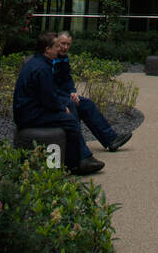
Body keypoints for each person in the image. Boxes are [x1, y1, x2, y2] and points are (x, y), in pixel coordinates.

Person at [13, 32, 105, 175]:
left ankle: (80, 158)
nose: (60, 49)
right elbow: (48, 97)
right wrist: (61, 108)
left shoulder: (37, 63)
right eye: (56, 46)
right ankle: (76, 163)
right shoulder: (42, 68)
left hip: (30, 110)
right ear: (47, 49)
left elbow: (48, 94)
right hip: (30, 115)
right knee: (71, 122)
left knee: (74, 113)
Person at [51, 31, 132, 155]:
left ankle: (111, 139)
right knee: (72, 106)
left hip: (64, 94)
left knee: (87, 104)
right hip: (55, 97)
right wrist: (65, 97)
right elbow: (47, 85)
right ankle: (80, 153)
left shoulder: (64, 58)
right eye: (63, 44)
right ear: (56, 42)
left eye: (68, 44)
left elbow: (67, 79)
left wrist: (72, 92)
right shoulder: (50, 58)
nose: (65, 47)